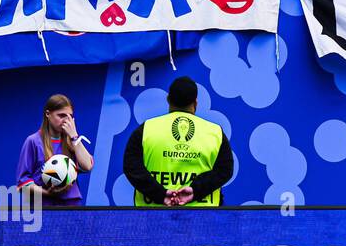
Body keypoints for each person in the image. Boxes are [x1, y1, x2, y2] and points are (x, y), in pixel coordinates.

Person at [122, 76, 235, 207]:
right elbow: (224, 170)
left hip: (152, 216)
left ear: (168, 99)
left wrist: (161, 194)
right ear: (196, 102)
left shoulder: (146, 129)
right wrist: (195, 190)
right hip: (203, 217)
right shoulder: (215, 132)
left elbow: (132, 168)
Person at [15, 94, 94, 208]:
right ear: (48, 114)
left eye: (70, 116)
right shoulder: (33, 141)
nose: (66, 120)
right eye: (61, 115)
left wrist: (74, 137)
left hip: (71, 205)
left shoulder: (72, 141)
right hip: (43, 206)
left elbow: (87, 166)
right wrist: (47, 193)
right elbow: (23, 183)